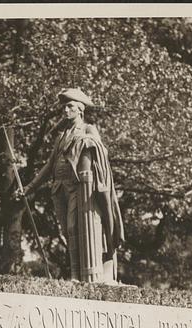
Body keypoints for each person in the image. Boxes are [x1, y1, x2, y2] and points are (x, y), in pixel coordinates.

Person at [22, 88, 124, 283]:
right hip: (59, 188)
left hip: (78, 186)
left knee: (72, 227)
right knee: (68, 233)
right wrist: (29, 187)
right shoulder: (61, 136)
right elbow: (49, 165)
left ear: (80, 110)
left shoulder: (88, 129)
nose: (65, 110)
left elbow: (101, 152)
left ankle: (78, 275)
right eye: (64, 107)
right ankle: (75, 273)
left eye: (70, 106)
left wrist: (87, 141)